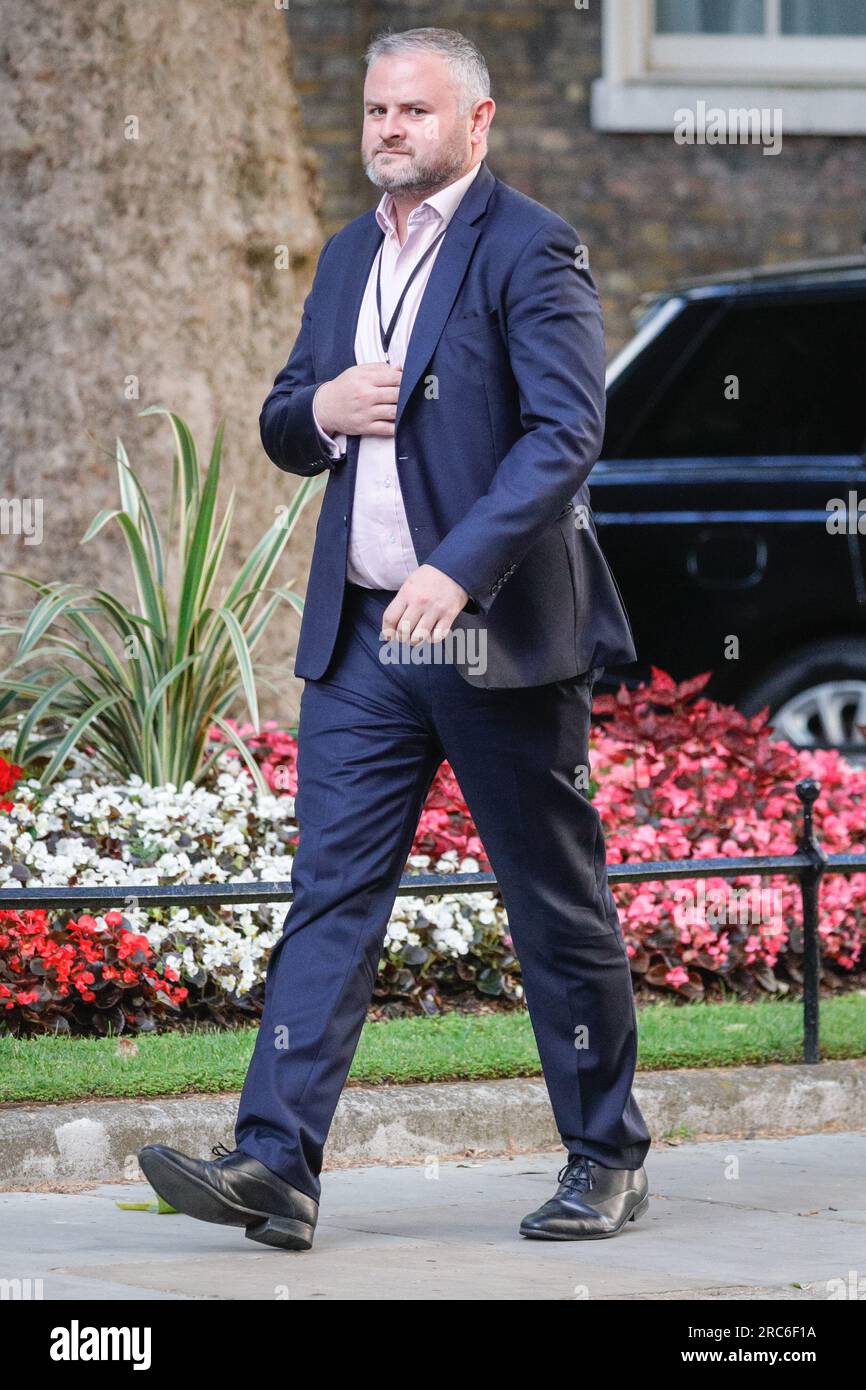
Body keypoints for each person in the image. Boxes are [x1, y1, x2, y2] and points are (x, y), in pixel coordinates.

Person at [139, 25, 651, 1252]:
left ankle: (605, 1154)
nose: (387, 131)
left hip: (493, 638)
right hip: (361, 637)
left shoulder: (532, 249)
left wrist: (457, 566)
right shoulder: (342, 258)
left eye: (412, 113)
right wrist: (319, 407)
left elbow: (563, 434)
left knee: (552, 902)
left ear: (474, 125)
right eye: (374, 112)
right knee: (330, 897)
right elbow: (280, 418)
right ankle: (275, 1164)